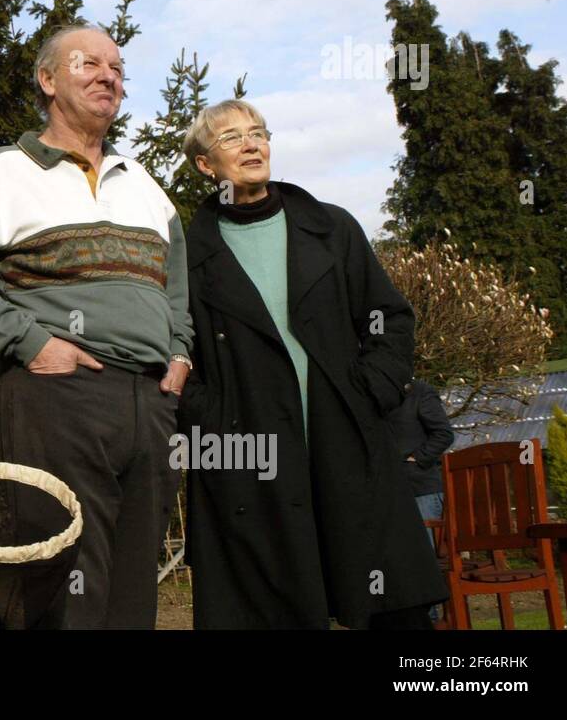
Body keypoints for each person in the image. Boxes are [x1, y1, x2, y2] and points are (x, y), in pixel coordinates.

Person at [0, 23, 194, 629]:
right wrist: (32, 344)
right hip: (57, 393)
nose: (109, 75)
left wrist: (181, 355)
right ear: (48, 79)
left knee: (137, 589)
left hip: (151, 402)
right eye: (89, 63)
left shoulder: (146, 187)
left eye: (118, 68)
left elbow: (178, 291)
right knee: (67, 586)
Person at [177, 98, 448, 629]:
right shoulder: (187, 254)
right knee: (268, 608)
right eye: (231, 138)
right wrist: (209, 415)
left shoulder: (332, 228)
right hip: (248, 456)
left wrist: (371, 389)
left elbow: (390, 318)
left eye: (258, 132)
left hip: (345, 438)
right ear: (206, 165)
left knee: (388, 604)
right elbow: (173, 348)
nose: (251, 144)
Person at [385, 378, 455, 620]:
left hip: (420, 488)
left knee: (419, 555)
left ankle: (429, 618)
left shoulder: (419, 392)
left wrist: (417, 458)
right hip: (385, 491)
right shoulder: (369, 398)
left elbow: (443, 434)